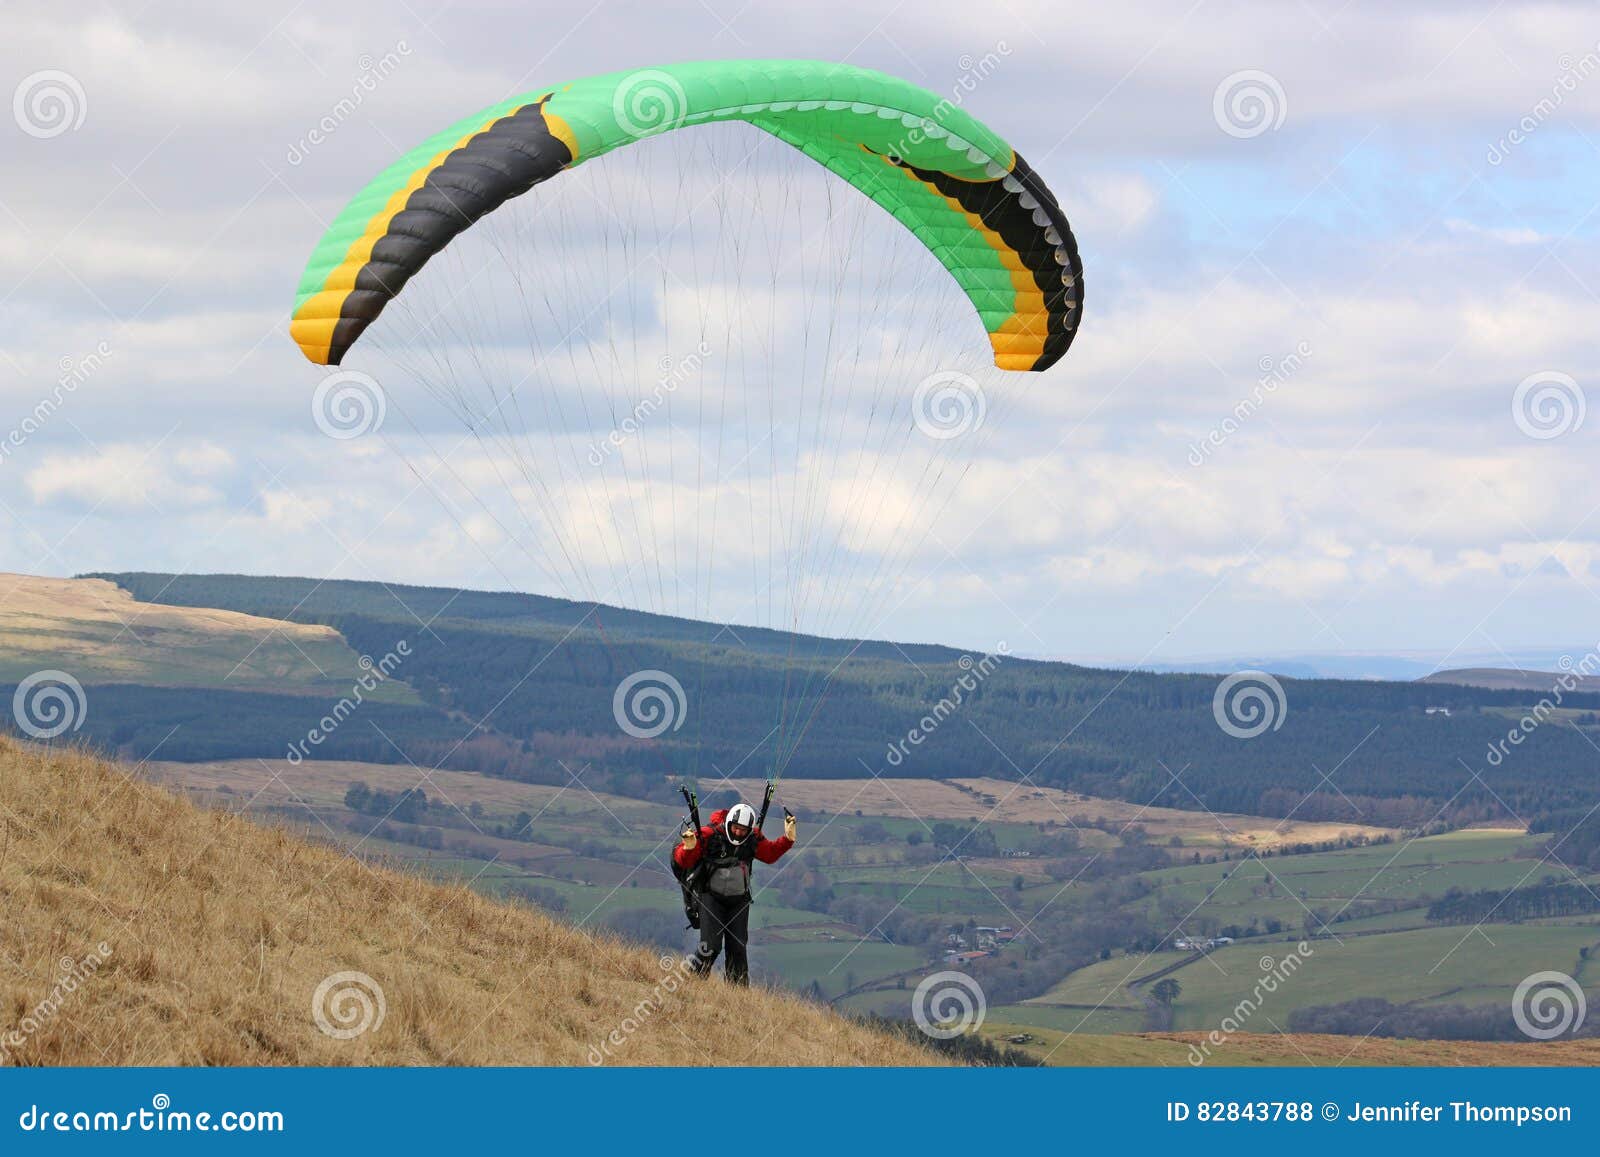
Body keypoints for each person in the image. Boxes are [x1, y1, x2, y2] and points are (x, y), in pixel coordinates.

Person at [674, 801, 795, 985]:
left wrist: (787, 839)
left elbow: (769, 854)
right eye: (736, 828)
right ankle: (693, 983)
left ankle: (737, 995)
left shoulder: (753, 838)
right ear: (729, 823)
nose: (739, 833)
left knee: (738, 948)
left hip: (738, 901)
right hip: (710, 897)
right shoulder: (709, 835)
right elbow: (683, 861)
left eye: (743, 830)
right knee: (711, 946)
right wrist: (688, 848)